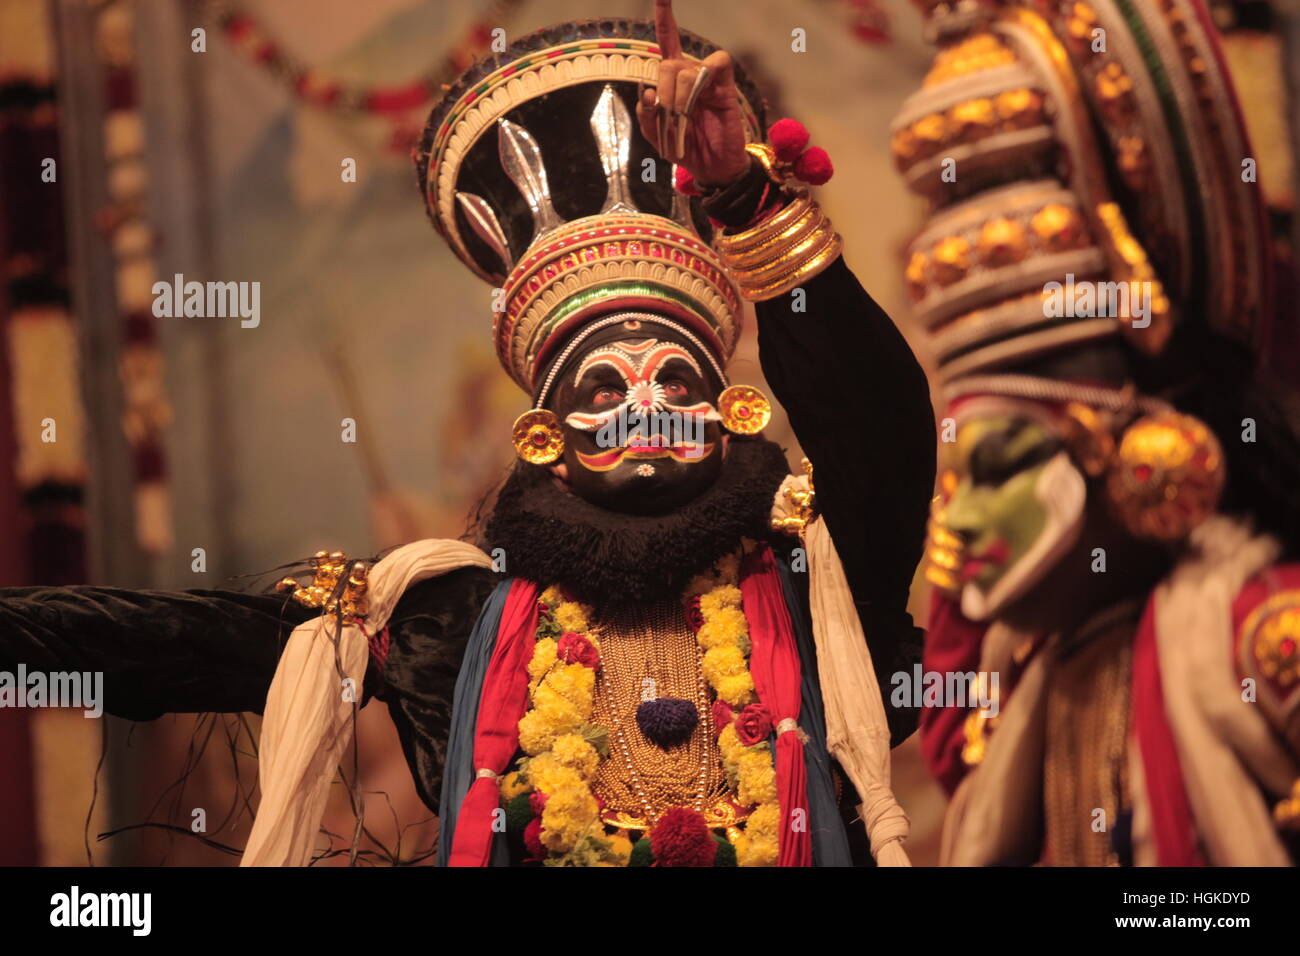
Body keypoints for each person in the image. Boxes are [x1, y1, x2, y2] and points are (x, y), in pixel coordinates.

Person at [0, 1, 935, 866]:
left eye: (678, 380)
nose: (644, 401)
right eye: (604, 387)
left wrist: (744, 201)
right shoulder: (449, 621)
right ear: (544, 439)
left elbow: (880, 429)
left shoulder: (818, 587)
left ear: (732, 417)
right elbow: (176, 642)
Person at [896, 0, 1300, 865]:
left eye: (999, 468)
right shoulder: (1027, 676)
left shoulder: (1267, 633)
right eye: (953, 485)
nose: (955, 527)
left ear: (1144, 457)